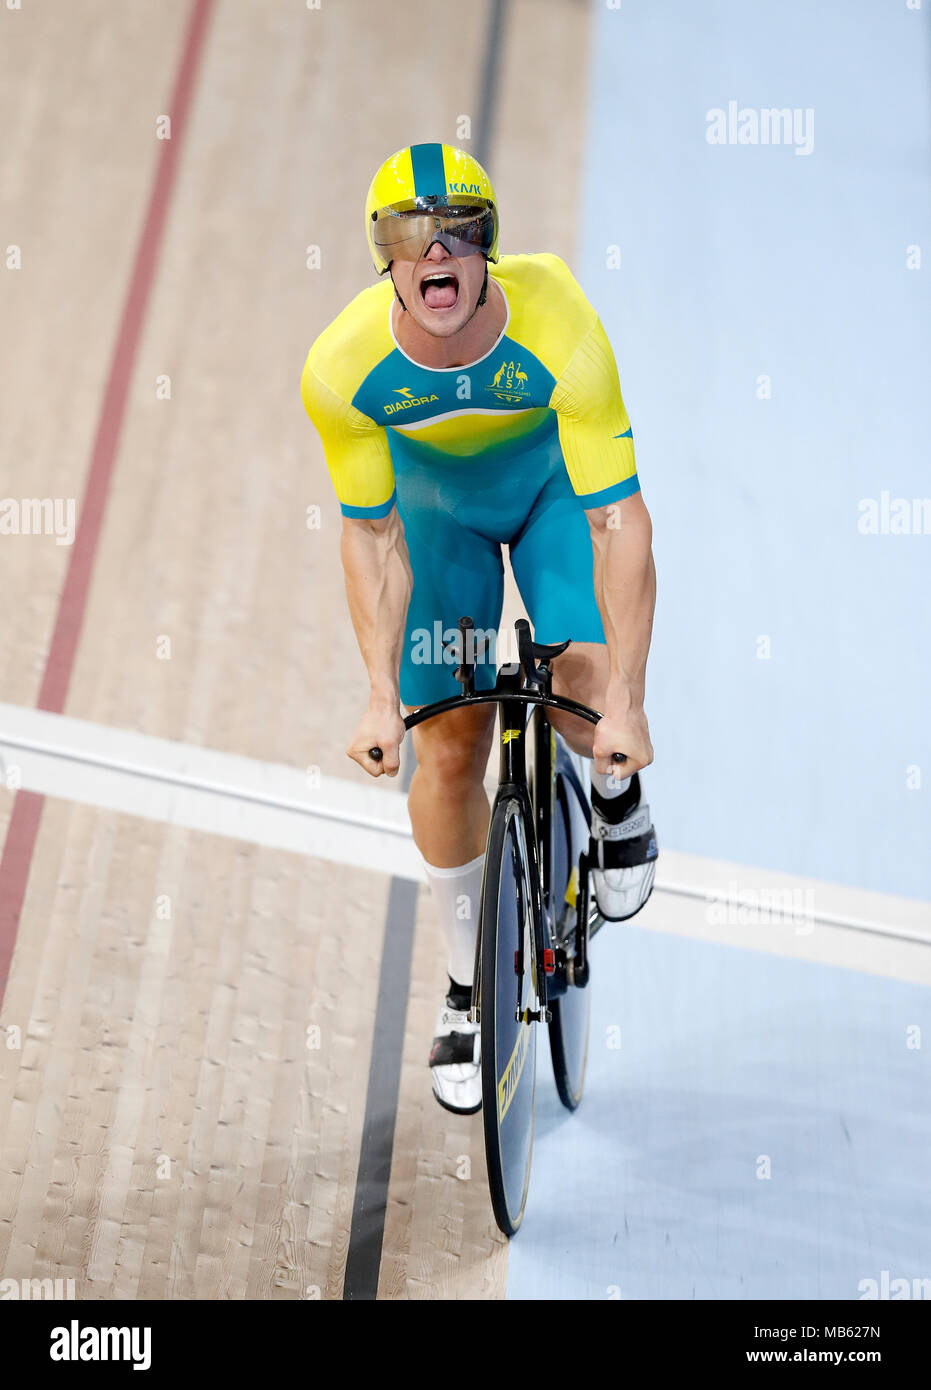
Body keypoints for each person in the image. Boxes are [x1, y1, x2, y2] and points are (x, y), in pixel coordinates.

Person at [301, 143, 657, 1115]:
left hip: (549, 496)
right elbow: (371, 538)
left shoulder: (558, 320)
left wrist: (626, 698)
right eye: (411, 234)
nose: (437, 251)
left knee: (584, 691)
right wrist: (380, 695)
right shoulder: (342, 369)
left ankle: (617, 804)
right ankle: (464, 987)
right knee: (449, 746)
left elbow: (616, 518)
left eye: (460, 228)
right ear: (385, 257)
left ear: (488, 244)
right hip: (438, 518)